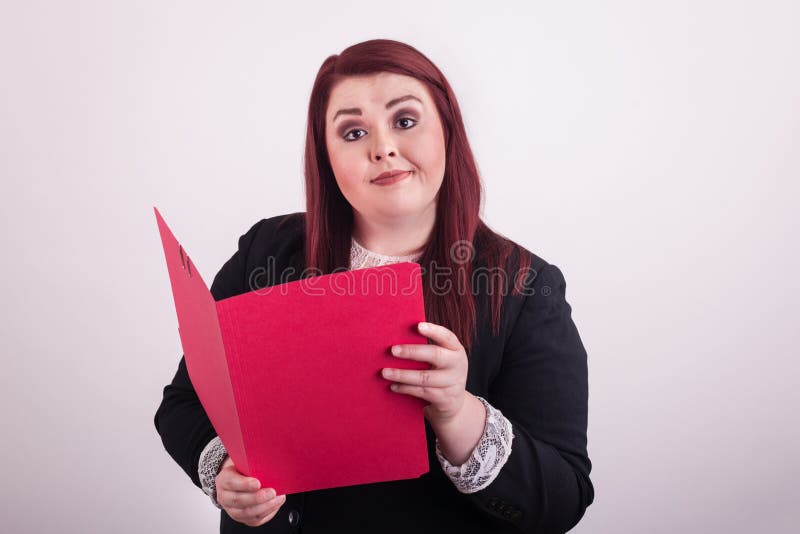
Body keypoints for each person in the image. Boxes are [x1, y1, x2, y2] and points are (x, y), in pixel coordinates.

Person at [154, 39, 594, 534]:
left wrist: (458, 413)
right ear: (326, 156)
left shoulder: (525, 287)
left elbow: (562, 502)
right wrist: (222, 474)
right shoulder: (266, 251)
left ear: (447, 130)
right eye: (353, 131)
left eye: (404, 121)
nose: (381, 147)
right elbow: (184, 403)